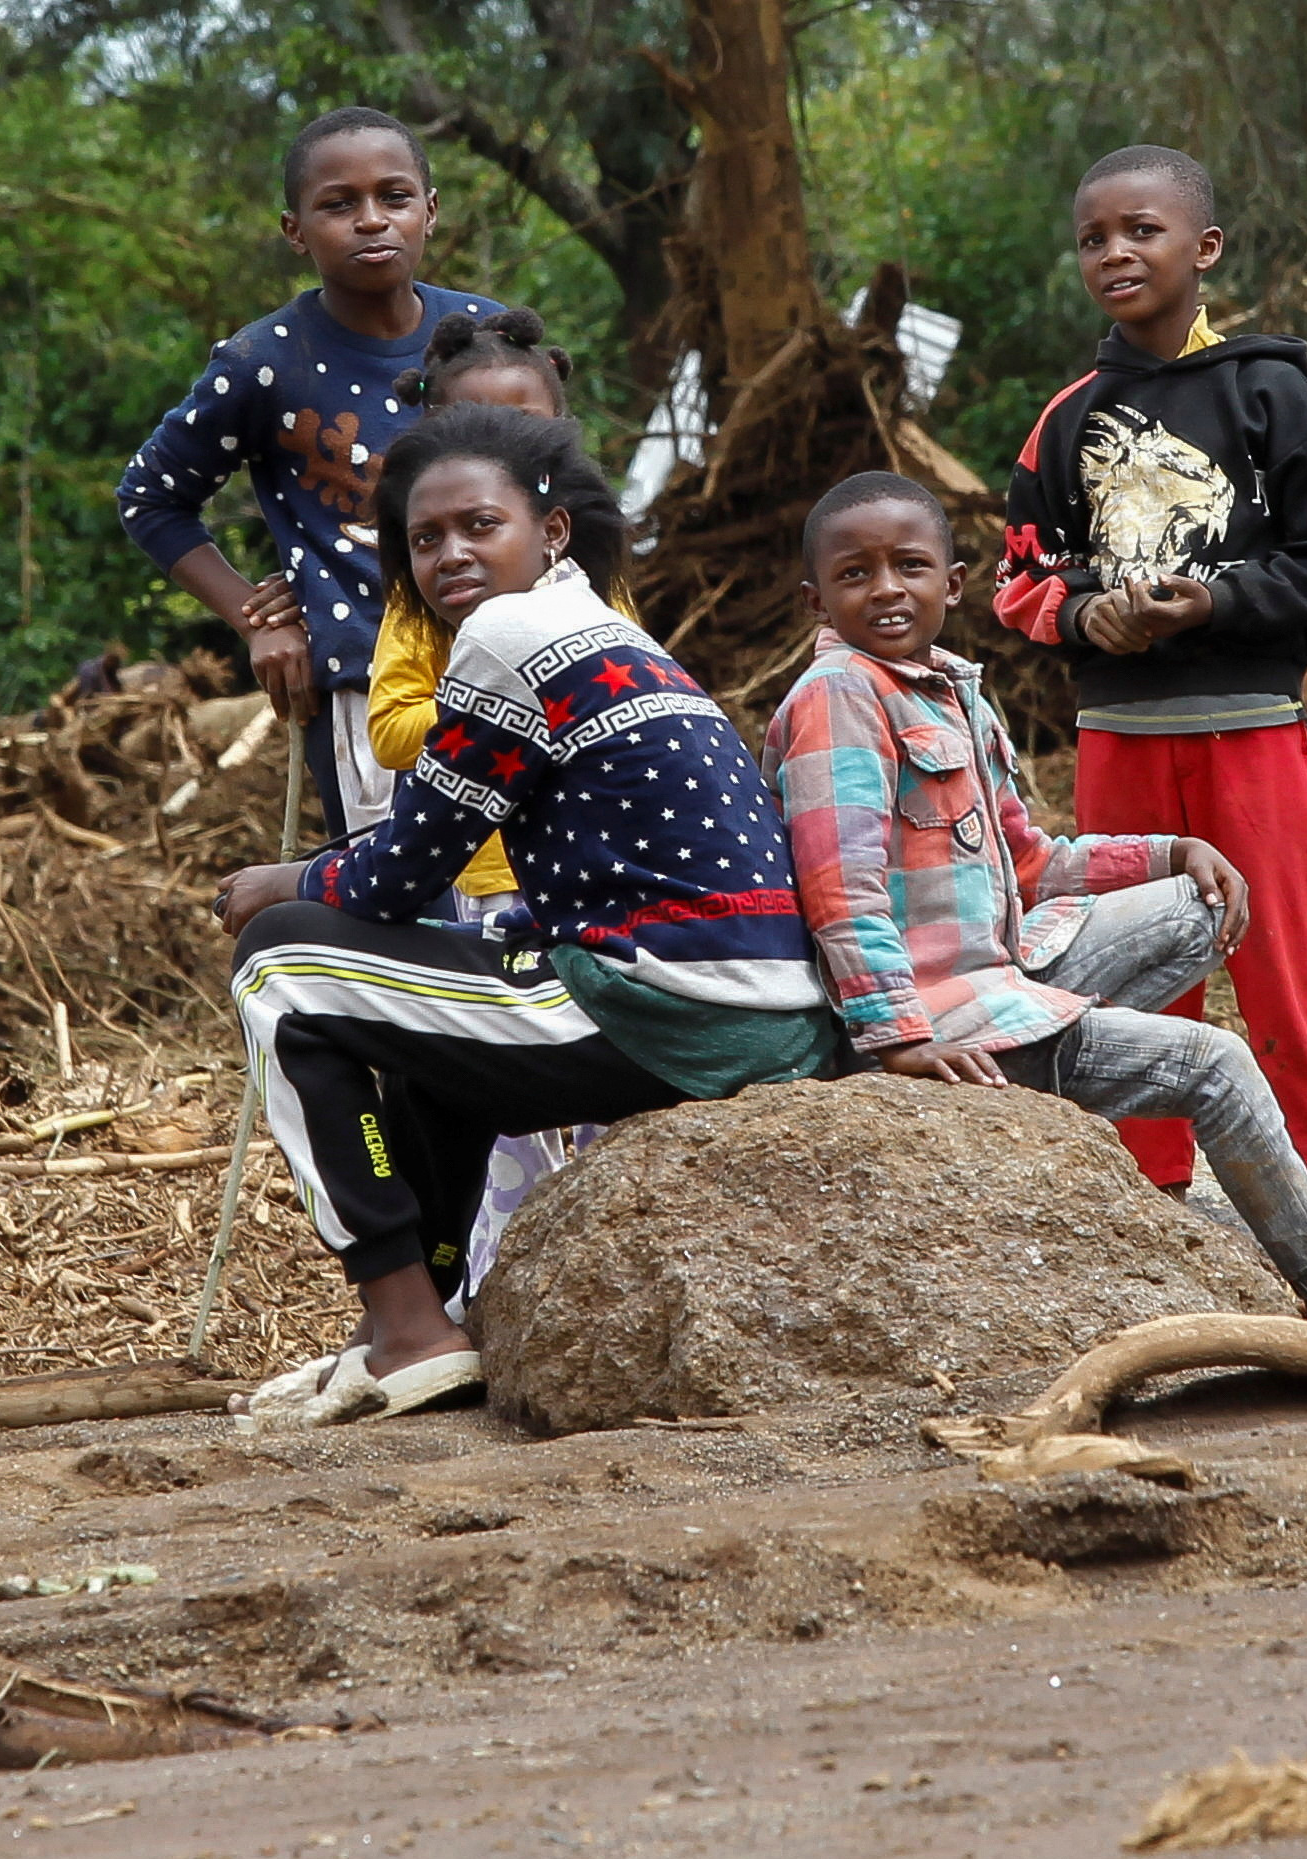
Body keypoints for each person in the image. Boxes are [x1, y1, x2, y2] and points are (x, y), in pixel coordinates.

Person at [212, 408, 833, 1428]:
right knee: (428, 1004)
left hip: (658, 1007)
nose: (450, 553)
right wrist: (321, 871)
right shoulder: (608, 634)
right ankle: (439, 1309)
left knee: (279, 964)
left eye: (477, 525)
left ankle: (404, 1325)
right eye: (424, 539)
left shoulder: (508, 636)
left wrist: (286, 883)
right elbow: (429, 858)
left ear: (550, 532)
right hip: (754, 1007)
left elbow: (396, 878)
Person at [769, 472, 1307, 1324]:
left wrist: (1173, 850)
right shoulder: (839, 696)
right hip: (938, 1023)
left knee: (1199, 900)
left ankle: (1064, 1061)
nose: (887, 589)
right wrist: (897, 1039)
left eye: (909, 566)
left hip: (997, 974)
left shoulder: (947, 690)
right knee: (1214, 1063)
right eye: (855, 575)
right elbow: (838, 888)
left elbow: (1030, 863)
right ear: (816, 598)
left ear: (953, 583)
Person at [991, 144, 1307, 1219]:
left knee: (1276, 962)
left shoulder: (1269, 392)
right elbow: (1020, 578)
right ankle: (1149, 1193)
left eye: (1139, 231)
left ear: (1200, 248)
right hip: (1118, 733)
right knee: (1139, 963)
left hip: (1251, 730)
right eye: (1092, 238)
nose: (1113, 252)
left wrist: (1209, 602)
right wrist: (1084, 612)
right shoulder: (1066, 418)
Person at [117, 104, 500, 840]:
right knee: (406, 904)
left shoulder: (485, 337)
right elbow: (150, 498)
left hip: (515, 663)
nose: (371, 220)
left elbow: (554, 491)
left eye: (393, 196)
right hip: (365, 685)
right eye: (338, 204)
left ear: (430, 210)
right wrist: (254, 619)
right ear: (294, 230)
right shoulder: (263, 364)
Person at [361, 307, 595, 1307]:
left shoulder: (593, 592)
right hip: (472, 883)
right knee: (479, 1095)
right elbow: (389, 727)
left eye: (522, 435)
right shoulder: (420, 608)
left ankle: (588, 1272)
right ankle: (480, 1287)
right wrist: (493, 710)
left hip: (578, 887)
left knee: (587, 1096)